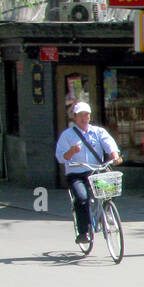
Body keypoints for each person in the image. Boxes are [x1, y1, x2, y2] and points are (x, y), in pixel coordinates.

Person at [55, 102, 122, 243]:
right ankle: (83, 232)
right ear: (75, 117)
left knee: (111, 189)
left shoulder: (98, 132)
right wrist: (71, 151)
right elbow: (60, 157)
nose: (84, 118)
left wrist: (114, 156)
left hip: (96, 170)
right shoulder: (67, 135)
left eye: (86, 114)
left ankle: (107, 212)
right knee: (82, 198)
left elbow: (109, 143)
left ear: (90, 116)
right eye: (80, 115)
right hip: (76, 174)